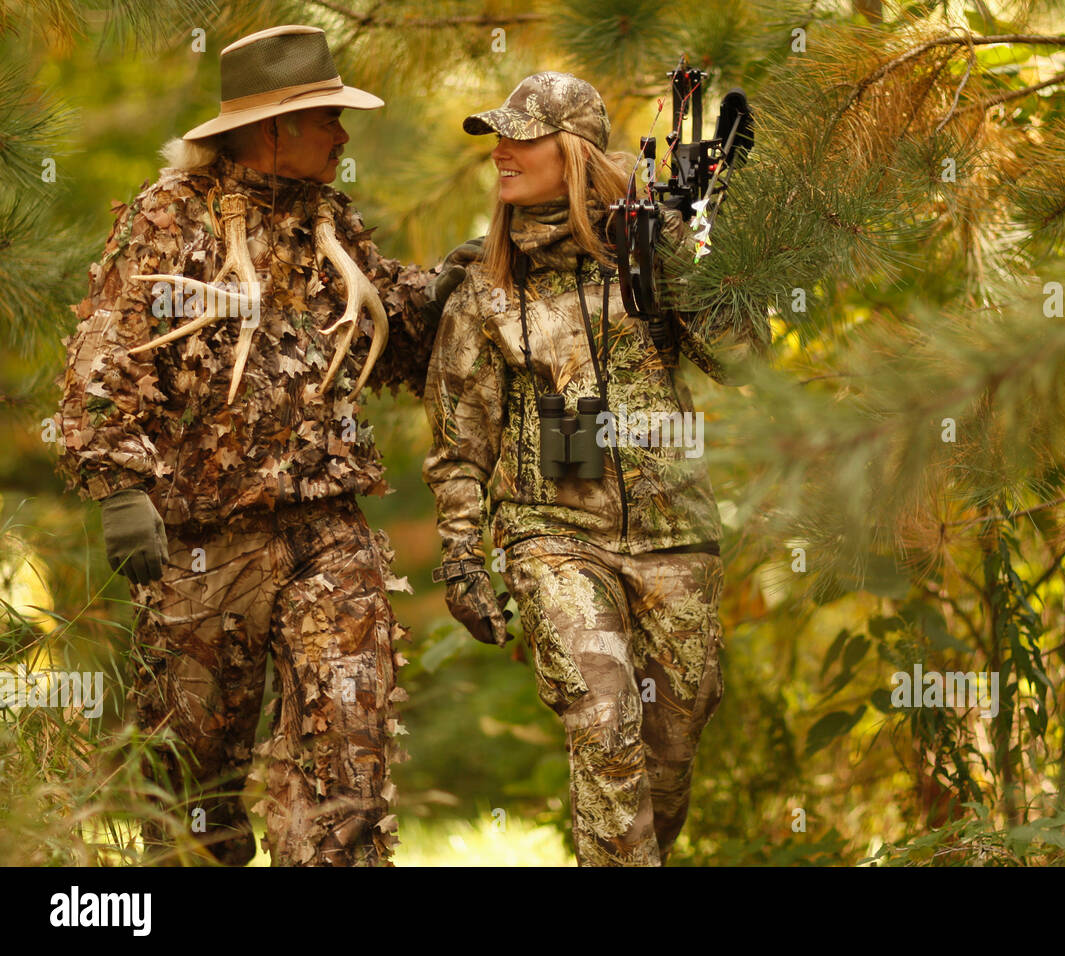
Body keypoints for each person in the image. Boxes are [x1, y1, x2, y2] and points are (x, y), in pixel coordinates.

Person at [56, 25, 470, 866]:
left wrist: (459, 286)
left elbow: (395, 333)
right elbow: (105, 352)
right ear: (271, 126)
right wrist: (118, 488)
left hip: (327, 530)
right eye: (327, 120)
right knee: (190, 792)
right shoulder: (165, 217)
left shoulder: (331, 222)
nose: (343, 136)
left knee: (349, 749)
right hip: (202, 542)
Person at [423, 72, 755, 866]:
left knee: (672, 743)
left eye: (520, 138)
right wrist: (464, 557)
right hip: (552, 537)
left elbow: (741, 359)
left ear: (571, 151)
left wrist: (695, 248)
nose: (501, 153)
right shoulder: (487, 286)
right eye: (497, 138)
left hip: (676, 532)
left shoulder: (648, 248)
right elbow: (460, 442)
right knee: (603, 716)